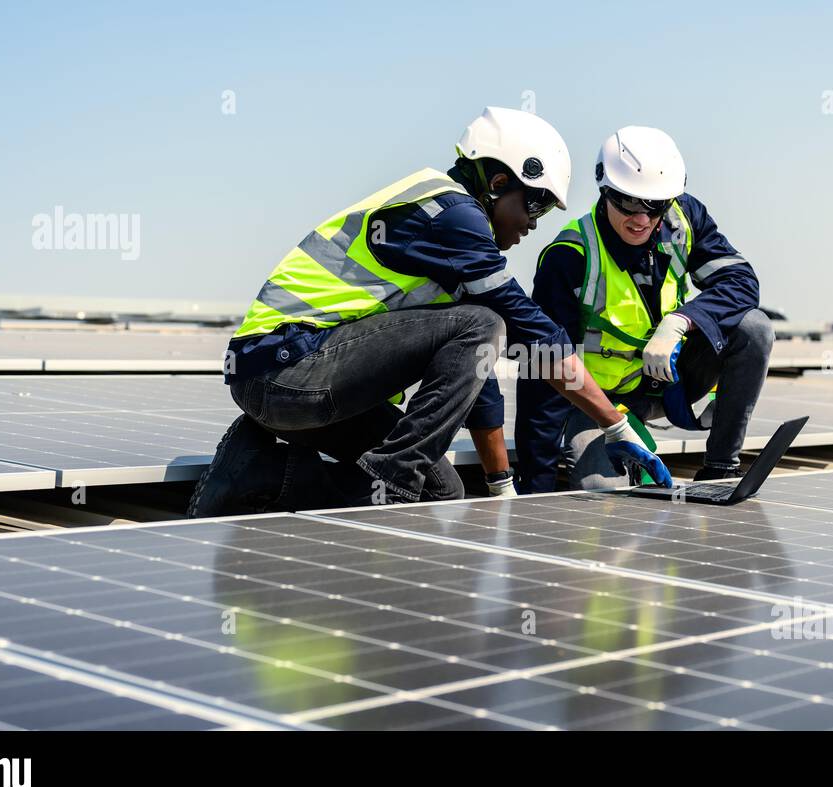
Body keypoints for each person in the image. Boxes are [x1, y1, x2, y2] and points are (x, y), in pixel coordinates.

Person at [188, 108, 671, 517]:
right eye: (534, 206)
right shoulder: (451, 215)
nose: (531, 225)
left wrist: (500, 486)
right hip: (284, 371)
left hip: (301, 389)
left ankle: (258, 472)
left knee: (444, 491)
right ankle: (388, 487)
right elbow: (533, 332)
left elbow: (476, 380)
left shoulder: (452, 247)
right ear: (499, 181)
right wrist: (616, 425)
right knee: (484, 324)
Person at [515, 126, 773, 493]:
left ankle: (720, 468)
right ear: (604, 190)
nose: (641, 219)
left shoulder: (682, 219)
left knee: (754, 329)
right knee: (602, 493)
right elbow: (543, 372)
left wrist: (682, 322)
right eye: (628, 203)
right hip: (599, 404)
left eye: (654, 206)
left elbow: (742, 282)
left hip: (669, 383)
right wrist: (534, 491)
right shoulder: (570, 257)